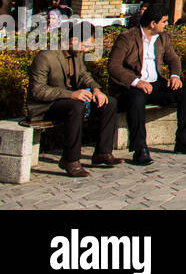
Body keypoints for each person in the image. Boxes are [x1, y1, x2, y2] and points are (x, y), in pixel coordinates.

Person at [107, 3, 186, 162]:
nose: (167, 25)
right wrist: (136, 81)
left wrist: (174, 76)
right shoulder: (127, 38)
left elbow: (173, 59)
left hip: (155, 84)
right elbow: (113, 66)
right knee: (136, 99)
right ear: (153, 23)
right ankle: (139, 148)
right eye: (164, 22)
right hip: (132, 87)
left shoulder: (162, 38)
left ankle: (184, 141)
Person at [26, 21, 121, 177]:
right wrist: (70, 94)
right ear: (73, 40)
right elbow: (38, 91)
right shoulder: (46, 56)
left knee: (109, 103)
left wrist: (96, 90)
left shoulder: (76, 53)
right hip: (46, 106)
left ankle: (103, 153)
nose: (87, 48)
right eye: (86, 44)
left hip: (70, 101)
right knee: (76, 107)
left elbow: (84, 76)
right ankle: (71, 160)